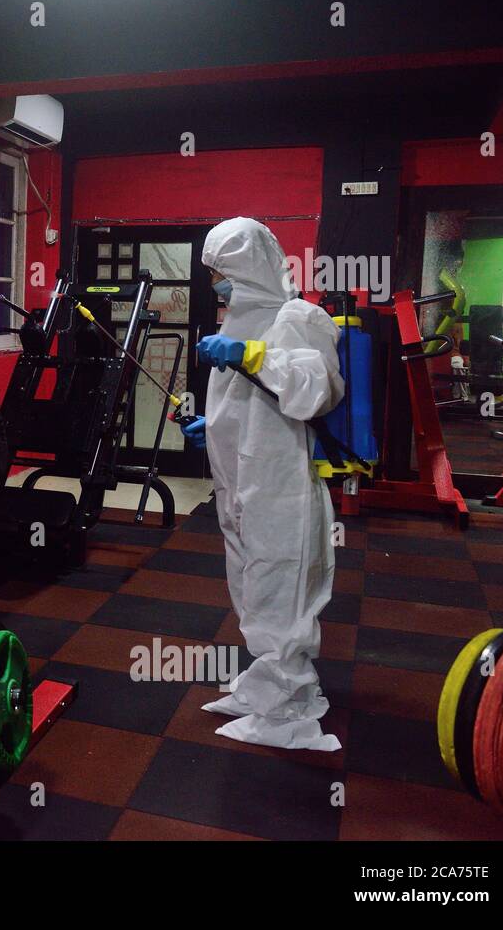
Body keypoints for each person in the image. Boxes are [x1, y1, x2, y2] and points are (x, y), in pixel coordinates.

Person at [179, 217, 345, 751]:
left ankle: (288, 707)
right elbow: (248, 404)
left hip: (282, 486)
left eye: (222, 272)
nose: (217, 285)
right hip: (240, 484)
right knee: (252, 584)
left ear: (250, 268)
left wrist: (251, 357)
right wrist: (215, 427)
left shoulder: (299, 318)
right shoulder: (237, 326)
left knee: (281, 587)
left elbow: (317, 387)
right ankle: (264, 686)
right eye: (212, 274)